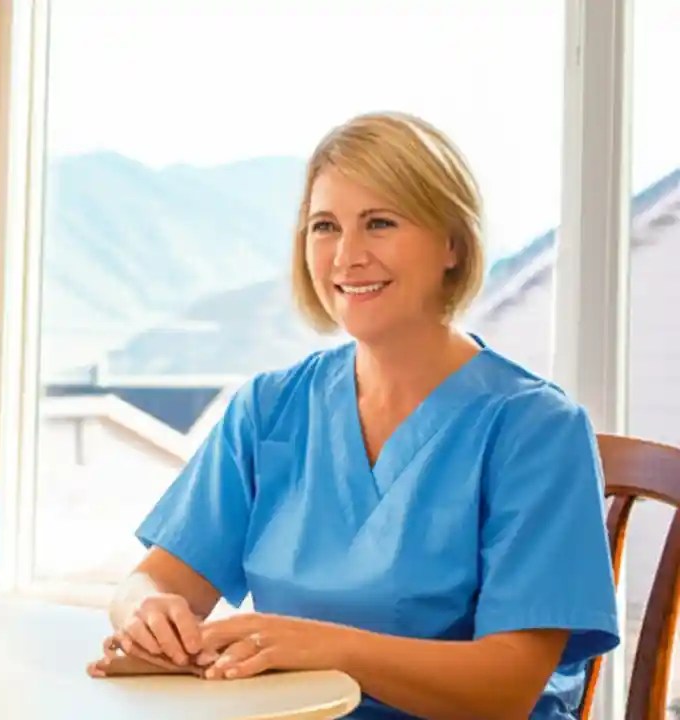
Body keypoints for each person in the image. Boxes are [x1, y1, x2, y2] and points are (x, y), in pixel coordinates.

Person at [89, 111, 620, 719]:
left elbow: (504, 689)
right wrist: (145, 614)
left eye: (380, 224)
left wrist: (316, 646)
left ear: (452, 244)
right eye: (325, 226)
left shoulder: (536, 430)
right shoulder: (268, 410)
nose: (347, 255)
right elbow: (151, 582)